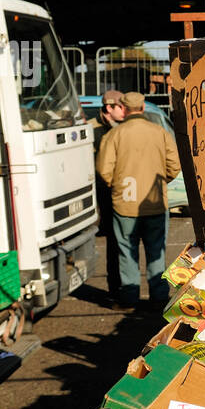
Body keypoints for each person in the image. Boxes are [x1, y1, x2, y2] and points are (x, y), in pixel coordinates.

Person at [96, 91, 181, 312]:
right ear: (143, 108)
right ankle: (159, 297)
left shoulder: (114, 135)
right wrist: (161, 182)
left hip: (124, 204)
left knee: (127, 253)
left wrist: (118, 186)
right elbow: (174, 166)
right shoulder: (160, 132)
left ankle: (129, 298)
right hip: (154, 203)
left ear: (123, 109)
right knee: (156, 252)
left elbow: (104, 171)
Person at [92, 91, 126, 300]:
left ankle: (125, 286)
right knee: (113, 244)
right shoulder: (92, 130)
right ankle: (115, 288)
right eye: (120, 107)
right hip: (103, 194)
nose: (124, 111)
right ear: (108, 109)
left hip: (122, 193)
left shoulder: (122, 128)